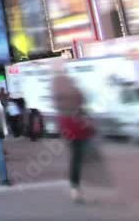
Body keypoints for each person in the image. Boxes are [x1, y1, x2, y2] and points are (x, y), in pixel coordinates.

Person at [52, 66, 94, 203]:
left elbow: (58, 107)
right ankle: (76, 187)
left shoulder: (59, 92)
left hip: (70, 126)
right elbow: (83, 103)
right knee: (78, 157)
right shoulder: (73, 91)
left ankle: (75, 187)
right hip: (78, 126)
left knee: (76, 157)